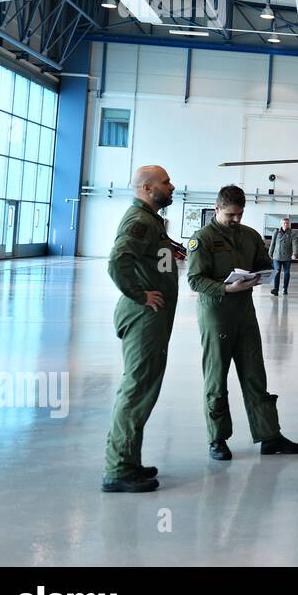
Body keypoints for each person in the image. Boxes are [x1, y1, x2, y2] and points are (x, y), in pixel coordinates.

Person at [187, 185, 298, 460]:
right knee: (216, 377)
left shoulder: (250, 236)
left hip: (245, 312)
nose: (236, 219)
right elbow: (194, 279)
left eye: (240, 214)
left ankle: (269, 435)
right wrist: (225, 289)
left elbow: (265, 264)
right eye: (230, 215)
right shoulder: (202, 239)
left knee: (255, 374)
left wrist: (259, 275)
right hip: (216, 314)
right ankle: (217, 439)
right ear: (217, 209)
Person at [103, 165, 183, 493]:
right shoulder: (139, 220)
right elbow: (117, 261)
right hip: (143, 317)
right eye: (166, 182)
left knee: (144, 388)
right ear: (148, 189)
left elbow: (151, 253)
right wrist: (140, 294)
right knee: (136, 389)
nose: (172, 185)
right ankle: (119, 469)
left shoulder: (152, 221)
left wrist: (170, 249)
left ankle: (130, 460)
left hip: (152, 319)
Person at [268, 217, 294, 296]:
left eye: (287, 223)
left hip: (287, 256)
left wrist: (294, 253)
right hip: (277, 256)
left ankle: (285, 289)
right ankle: (276, 289)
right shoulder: (276, 232)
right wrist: (270, 253)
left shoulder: (292, 233)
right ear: (281, 224)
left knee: (287, 273)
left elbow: (295, 244)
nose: (286, 225)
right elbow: (272, 243)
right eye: (284, 223)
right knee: (277, 272)